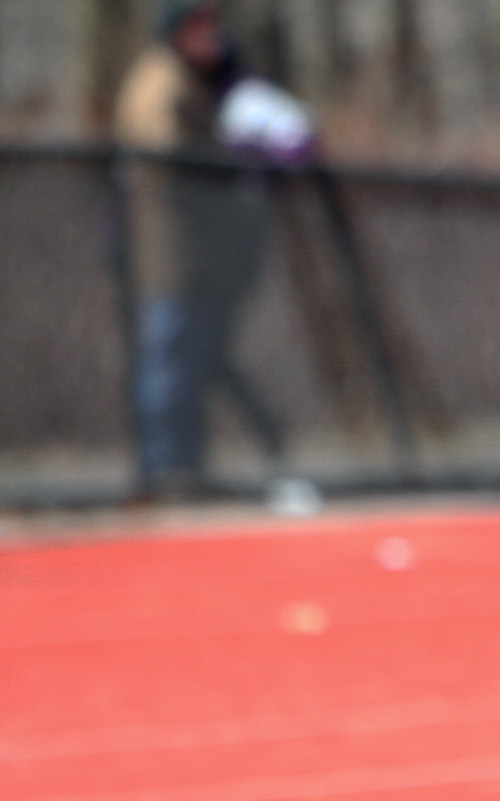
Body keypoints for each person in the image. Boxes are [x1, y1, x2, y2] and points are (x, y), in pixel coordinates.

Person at [114, 0, 306, 500]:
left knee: (198, 363)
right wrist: (233, 147)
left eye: (214, 27)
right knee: (170, 361)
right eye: (199, 28)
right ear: (176, 32)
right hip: (171, 254)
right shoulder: (161, 81)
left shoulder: (214, 81)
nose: (212, 38)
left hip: (208, 256)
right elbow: (166, 151)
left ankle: (190, 467)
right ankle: (165, 471)